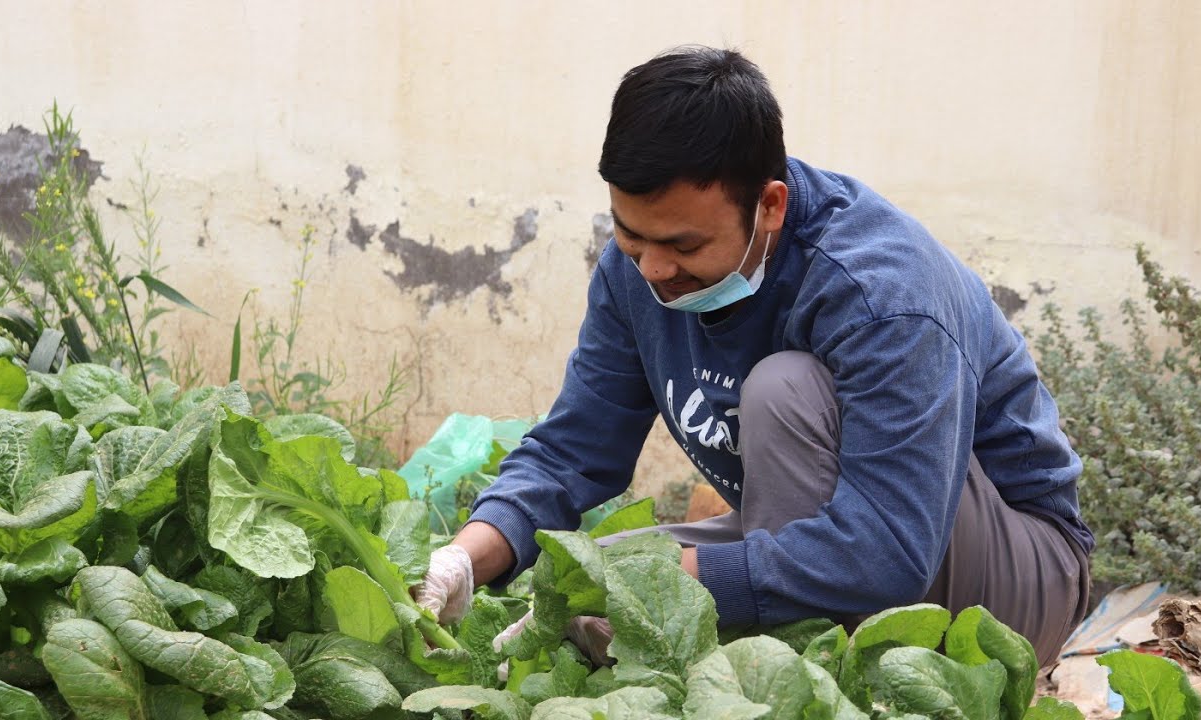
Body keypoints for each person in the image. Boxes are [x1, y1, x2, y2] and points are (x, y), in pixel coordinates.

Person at [414, 45, 1092, 666]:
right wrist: (466, 558)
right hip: (840, 541)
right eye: (629, 233)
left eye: (682, 246)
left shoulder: (880, 295)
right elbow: (572, 452)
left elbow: (888, 551)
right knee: (573, 582)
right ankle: (766, 647)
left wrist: (657, 589)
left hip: (1010, 578)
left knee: (784, 391)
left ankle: (798, 661)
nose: (652, 268)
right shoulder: (638, 271)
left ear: (770, 206)